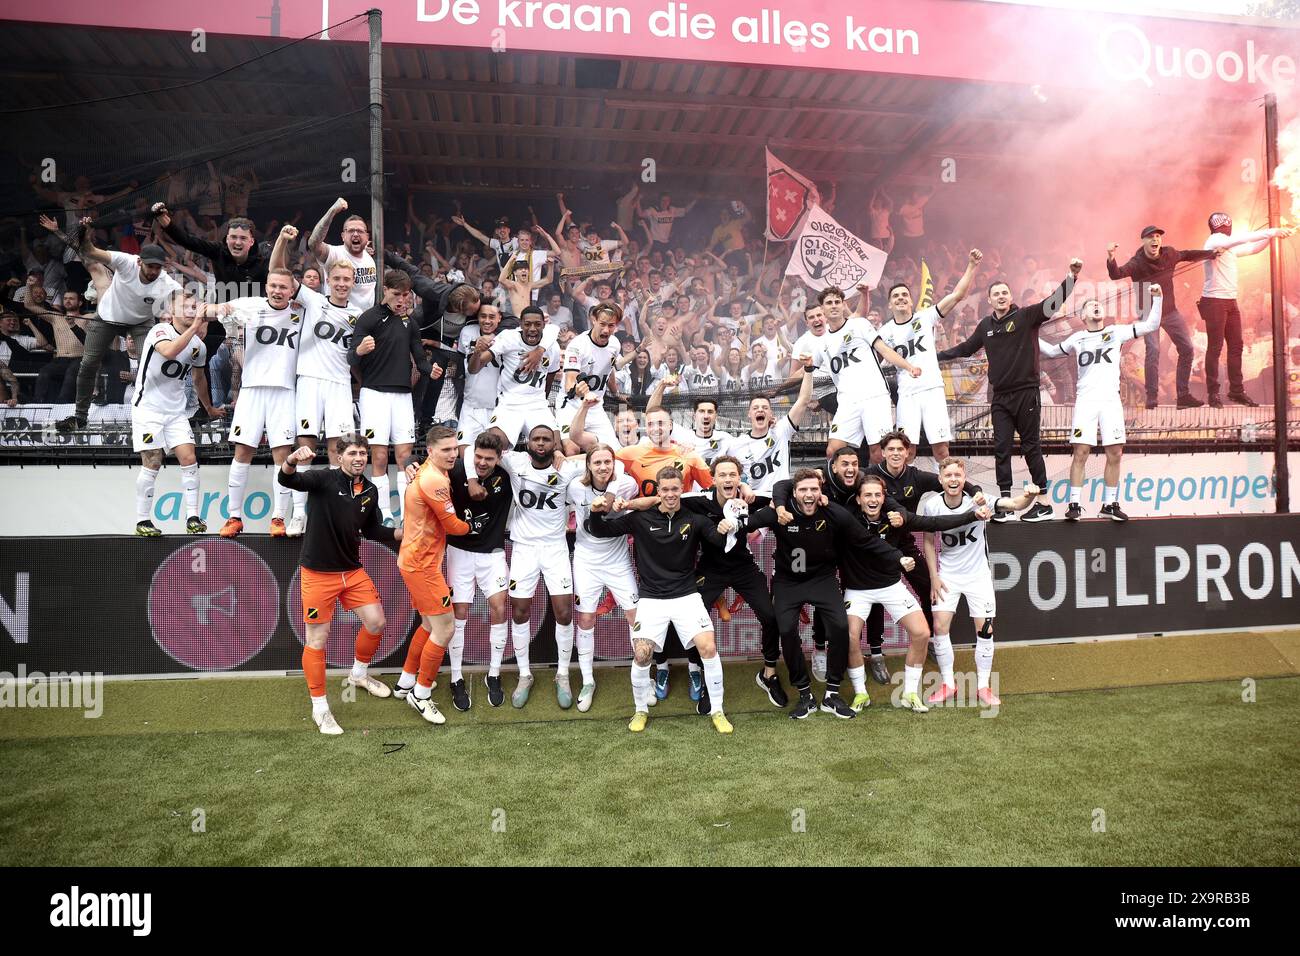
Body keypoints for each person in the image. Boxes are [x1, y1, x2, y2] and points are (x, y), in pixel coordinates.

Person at [747, 469, 909, 720]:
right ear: (794, 492)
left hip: (822, 579)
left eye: (814, 489)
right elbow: (747, 521)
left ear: (821, 491)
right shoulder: (781, 513)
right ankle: (804, 694)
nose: (809, 494)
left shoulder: (833, 512)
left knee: (840, 627)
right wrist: (729, 522)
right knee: (786, 630)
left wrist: (897, 557)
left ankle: (832, 693)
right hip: (788, 582)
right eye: (803, 490)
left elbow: (866, 540)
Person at [585, 466, 734, 734]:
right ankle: (640, 710)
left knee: (708, 648)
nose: (670, 494)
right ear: (657, 491)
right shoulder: (640, 519)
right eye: (664, 489)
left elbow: (716, 539)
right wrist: (595, 511)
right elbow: (600, 531)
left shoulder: (694, 518)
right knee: (642, 654)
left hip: (687, 595)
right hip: (652, 598)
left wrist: (724, 528)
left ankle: (718, 710)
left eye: (675, 489)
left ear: (681, 489)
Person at [939, 259, 1082, 522]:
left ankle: (1044, 503)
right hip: (1000, 397)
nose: (1001, 297)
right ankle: (1004, 506)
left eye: (1004, 292)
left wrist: (1071, 277)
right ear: (990, 300)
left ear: (1010, 296)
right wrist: (936, 357)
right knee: (1001, 448)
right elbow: (965, 349)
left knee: (1031, 447)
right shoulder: (985, 326)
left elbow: (1052, 303)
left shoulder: (1026, 316)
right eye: (996, 294)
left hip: (1026, 392)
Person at [276, 436, 401, 735]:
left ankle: (358, 675)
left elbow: (371, 530)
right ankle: (320, 709)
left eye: (363, 453)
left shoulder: (369, 490)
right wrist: (292, 460)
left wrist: (403, 534)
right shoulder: (322, 479)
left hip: (352, 572)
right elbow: (287, 478)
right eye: (352, 453)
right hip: (318, 574)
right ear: (339, 455)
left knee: (376, 622)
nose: (359, 457)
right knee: (317, 639)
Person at [842, 474, 984, 712]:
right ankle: (860, 694)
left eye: (878, 495)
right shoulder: (848, 520)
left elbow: (935, 523)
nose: (873, 499)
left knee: (921, 633)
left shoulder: (897, 518)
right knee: (850, 637)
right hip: (858, 590)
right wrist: (898, 557)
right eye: (867, 495)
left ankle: (909, 693)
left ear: (884, 498)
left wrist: (973, 515)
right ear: (858, 499)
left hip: (890, 586)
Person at [919, 459, 1040, 711]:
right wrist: (933, 576)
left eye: (958, 475)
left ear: (964, 479)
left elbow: (1013, 504)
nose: (953, 479)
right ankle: (947, 683)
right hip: (948, 576)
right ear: (940, 479)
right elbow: (928, 541)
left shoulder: (978, 499)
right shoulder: (931, 505)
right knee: (940, 629)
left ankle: (983, 686)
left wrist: (1028, 497)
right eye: (948, 475)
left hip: (978, 577)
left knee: (985, 631)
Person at [1040, 284, 1163, 522]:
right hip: (1086, 400)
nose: (1096, 307)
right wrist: (1029, 336)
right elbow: (1053, 351)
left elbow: (1151, 325)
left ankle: (1110, 504)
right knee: (1081, 451)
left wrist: (1157, 298)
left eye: (1098, 305)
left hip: (1110, 400)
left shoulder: (1117, 332)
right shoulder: (1078, 338)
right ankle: (1074, 503)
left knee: (1115, 452)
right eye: (1089, 306)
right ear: (1083, 316)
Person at [270, 225, 361, 536]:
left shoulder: (360, 315)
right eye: (336, 278)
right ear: (328, 280)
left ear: (352, 283)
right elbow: (278, 272)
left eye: (346, 279)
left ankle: (336, 512)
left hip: (338, 384)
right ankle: (298, 515)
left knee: (340, 449)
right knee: (305, 446)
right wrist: (283, 240)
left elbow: (359, 356)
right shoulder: (311, 298)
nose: (341, 283)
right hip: (309, 380)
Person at [497, 424, 585, 708]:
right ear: (528, 442)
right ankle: (525, 674)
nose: (541, 443)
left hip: (555, 549)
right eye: (536, 439)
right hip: (523, 549)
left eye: (547, 439)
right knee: (520, 611)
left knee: (564, 612)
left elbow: (603, 458)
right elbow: (484, 446)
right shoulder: (516, 462)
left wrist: (566, 453)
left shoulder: (566, 468)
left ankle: (562, 674)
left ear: (553, 444)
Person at [59, 239, 181, 432]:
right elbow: (90, 251)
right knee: (88, 363)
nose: (154, 271)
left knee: (150, 365)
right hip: (107, 317)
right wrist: (86, 235)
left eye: (158, 267)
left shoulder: (165, 281)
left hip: (141, 322)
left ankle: (154, 414)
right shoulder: (126, 261)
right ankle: (80, 416)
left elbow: (188, 300)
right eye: (150, 266)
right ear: (140, 261)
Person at [216, 268, 303, 537]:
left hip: (284, 391)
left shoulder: (302, 312)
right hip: (252, 389)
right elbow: (216, 309)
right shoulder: (250, 305)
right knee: (242, 452)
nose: (278, 291)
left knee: (282, 456)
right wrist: (222, 308)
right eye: (273, 286)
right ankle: (234, 517)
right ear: (266, 287)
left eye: (283, 287)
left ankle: (278, 518)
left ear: (292, 290)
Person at [393, 426, 471, 726]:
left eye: (455, 448)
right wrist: (472, 527)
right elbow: (452, 525)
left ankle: (405, 683)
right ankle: (421, 694)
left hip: (417, 561)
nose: (453, 454)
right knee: (445, 629)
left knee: (428, 624)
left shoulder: (427, 470)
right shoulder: (434, 479)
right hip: (422, 565)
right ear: (431, 451)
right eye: (446, 450)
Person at [876, 249, 982, 462]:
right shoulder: (884, 332)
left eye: (904, 295)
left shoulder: (925, 317)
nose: (901, 298)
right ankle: (905, 494)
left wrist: (971, 265)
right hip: (907, 394)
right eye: (895, 296)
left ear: (910, 300)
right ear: (889, 304)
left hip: (932, 389)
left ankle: (950, 491)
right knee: (907, 452)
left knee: (941, 450)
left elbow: (957, 295)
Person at [434, 431, 513, 712]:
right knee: (460, 613)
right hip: (460, 551)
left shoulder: (507, 476)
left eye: (488, 459)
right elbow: (435, 460)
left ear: (498, 458)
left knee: (499, 608)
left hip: (492, 552)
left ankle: (494, 674)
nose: (482, 462)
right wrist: (410, 466)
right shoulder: (456, 470)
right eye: (478, 456)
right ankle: (455, 677)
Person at [347, 269, 431, 527]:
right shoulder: (369, 318)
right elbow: (351, 358)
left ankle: (408, 516)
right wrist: (360, 350)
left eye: (406, 295)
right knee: (380, 457)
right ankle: (383, 514)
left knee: (405, 458)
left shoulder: (410, 322)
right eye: (396, 294)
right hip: (374, 395)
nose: (401, 300)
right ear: (385, 289)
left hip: (403, 396)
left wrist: (431, 369)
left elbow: (419, 357)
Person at [566, 439, 640, 712]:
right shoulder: (576, 487)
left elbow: (622, 472)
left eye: (607, 462)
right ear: (588, 465)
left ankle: (641, 679)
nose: (603, 467)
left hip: (618, 560)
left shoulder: (627, 484)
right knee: (585, 618)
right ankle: (587, 680)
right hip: (586, 561)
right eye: (596, 462)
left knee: (635, 616)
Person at [1106, 226, 1215, 409]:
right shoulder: (1137, 262)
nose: (1155, 240)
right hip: (1148, 312)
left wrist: (1211, 253)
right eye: (1151, 237)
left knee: (1187, 348)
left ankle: (1183, 395)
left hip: (1169, 311)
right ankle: (1152, 396)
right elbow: (1116, 274)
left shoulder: (1169, 254)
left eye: (1158, 236)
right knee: (1153, 350)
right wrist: (1111, 257)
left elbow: (1188, 254)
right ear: (1144, 242)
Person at [129, 296, 210, 536]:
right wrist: (195, 326)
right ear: (171, 310)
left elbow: (199, 379)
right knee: (153, 461)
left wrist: (209, 406)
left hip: (176, 412)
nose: (191, 310)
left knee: (189, 458)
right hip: (148, 409)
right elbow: (170, 352)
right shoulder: (160, 330)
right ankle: (143, 521)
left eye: (194, 307)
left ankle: (193, 517)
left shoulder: (199, 346)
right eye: (185, 306)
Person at [1197, 214, 1294, 408]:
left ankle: (1236, 390)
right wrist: (1273, 231)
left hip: (1230, 301)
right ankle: (1213, 393)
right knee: (1215, 348)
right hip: (1215, 301)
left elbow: (1252, 248)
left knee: (1236, 346)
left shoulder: (1228, 248)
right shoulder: (1215, 240)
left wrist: (1272, 236)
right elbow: (1244, 238)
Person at [819, 285, 920, 464]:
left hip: (875, 397)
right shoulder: (821, 342)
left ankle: (876, 491)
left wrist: (908, 366)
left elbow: (885, 350)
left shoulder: (859, 324)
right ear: (823, 309)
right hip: (847, 401)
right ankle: (846, 490)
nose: (834, 305)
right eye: (829, 303)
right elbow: (807, 369)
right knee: (832, 451)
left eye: (837, 302)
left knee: (878, 453)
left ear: (843, 305)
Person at [725, 356, 815, 503]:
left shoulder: (782, 430)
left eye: (765, 408)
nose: (760, 410)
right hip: (753, 500)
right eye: (755, 408)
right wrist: (742, 484)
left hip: (781, 499)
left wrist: (809, 370)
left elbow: (804, 400)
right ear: (749, 414)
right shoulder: (736, 444)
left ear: (771, 414)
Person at [470, 306, 561, 450]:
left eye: (537, 324)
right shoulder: (508, 338)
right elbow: (474, 369)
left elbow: (550, 376)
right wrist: (476, 352)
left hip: (537, 405)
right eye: (527, 324)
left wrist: (539, 351)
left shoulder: (552, 346)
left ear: (544, 325)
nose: (532, 328)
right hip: (509, 404)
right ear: (520, 324)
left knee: (555, 448)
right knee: (494, 444)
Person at [556, 301, 632, 453]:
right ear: (594, 320)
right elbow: (570, 382)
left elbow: (609, 369)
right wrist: (578, 391)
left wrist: (615, 393)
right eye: (602, 324)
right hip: (572, 406)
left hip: (596, 408)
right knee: (572, 450)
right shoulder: (577, 345)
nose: (606, 329)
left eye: (611, 325)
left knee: (613, 452)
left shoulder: (615, 344)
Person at [151, 202, 269, 295]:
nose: (237, 242)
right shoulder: (218, 251)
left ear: (251, 241)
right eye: (233, 237)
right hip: (222, 314)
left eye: (243, 238)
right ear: (227, 239)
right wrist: (162, 218)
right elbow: (187, 241)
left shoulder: (261, 261)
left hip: (251, 318)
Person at [309, 198, 377, 311]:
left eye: (360, 231)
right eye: (350, 231)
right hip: (338, 320)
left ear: (367, 237)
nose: (355, 234)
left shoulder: (369, 256)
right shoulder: (335, 254)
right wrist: (332, 211)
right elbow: (313, 243)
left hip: (364, 324)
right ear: (343, 236)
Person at [455, 301, 503, 451]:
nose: (487, 321)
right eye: (483, 316)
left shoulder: (506, 336)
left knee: (494, 455)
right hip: (471, 405)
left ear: (499, 318)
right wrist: (477, 350)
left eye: (491, 317)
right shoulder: (467, 332)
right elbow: (466, 363)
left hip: (497, 407)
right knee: (465, 454)